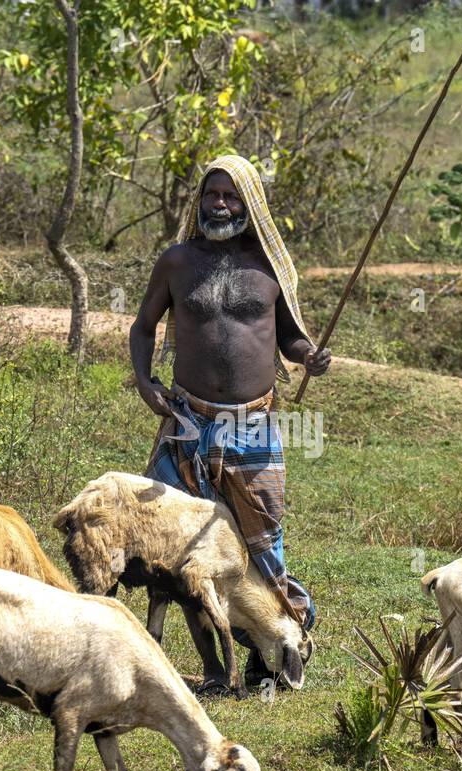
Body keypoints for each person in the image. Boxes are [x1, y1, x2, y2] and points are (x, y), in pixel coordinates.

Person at [128, 154, 330, 690]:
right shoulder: (176, 262)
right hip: (187, 422)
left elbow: (288, 335)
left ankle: (277, 646)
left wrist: (308, 354)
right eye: (212, 194)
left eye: (232, 195)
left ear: (250, 203)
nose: (221, 204)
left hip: (252, 423)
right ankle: (213, 668)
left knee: (261, 539)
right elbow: (144, 326)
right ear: (199, 202)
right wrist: (147, 384)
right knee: (179, 544)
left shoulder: (268, 266)